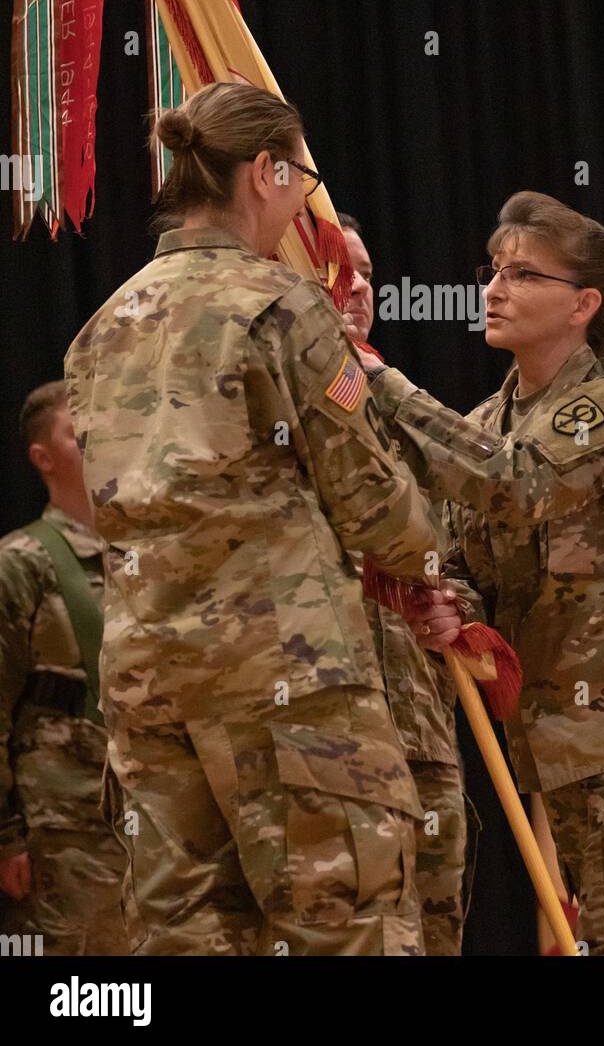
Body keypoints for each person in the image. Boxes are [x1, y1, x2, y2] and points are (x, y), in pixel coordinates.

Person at [64, 81, 444, 956]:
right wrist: (429, 555)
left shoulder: (102, 325)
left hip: (149, 681)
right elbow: (373, 502)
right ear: (267, 173)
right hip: (289, 672)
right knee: (348, 927)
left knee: (185, 942)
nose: (305, 207)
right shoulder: (283, 306)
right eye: (303, 182)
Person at [355, 191, 604, 956]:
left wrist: (380, 380)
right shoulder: (480, 425)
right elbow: (468, 558)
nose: (495, 288)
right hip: (561, 746)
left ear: (583, 304)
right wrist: (453, 605)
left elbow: (521, 485)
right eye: (493, 270)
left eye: (522, 274)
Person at [337, 211, 477, 956]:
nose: (358, 287)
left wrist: (458, 609)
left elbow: (460, 562)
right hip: (332, 733)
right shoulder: (280, 404)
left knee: (436, 934)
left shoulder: (402, 412)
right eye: (340, 269)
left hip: (424, 725)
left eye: (367, 273)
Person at [0, 382, 127, 955]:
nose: (99, 441)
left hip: (155, 821)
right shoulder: (20, 562)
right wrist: (5, 837)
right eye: (79, 435)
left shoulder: (148, 557)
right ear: (43, 459)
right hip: (62, 831)